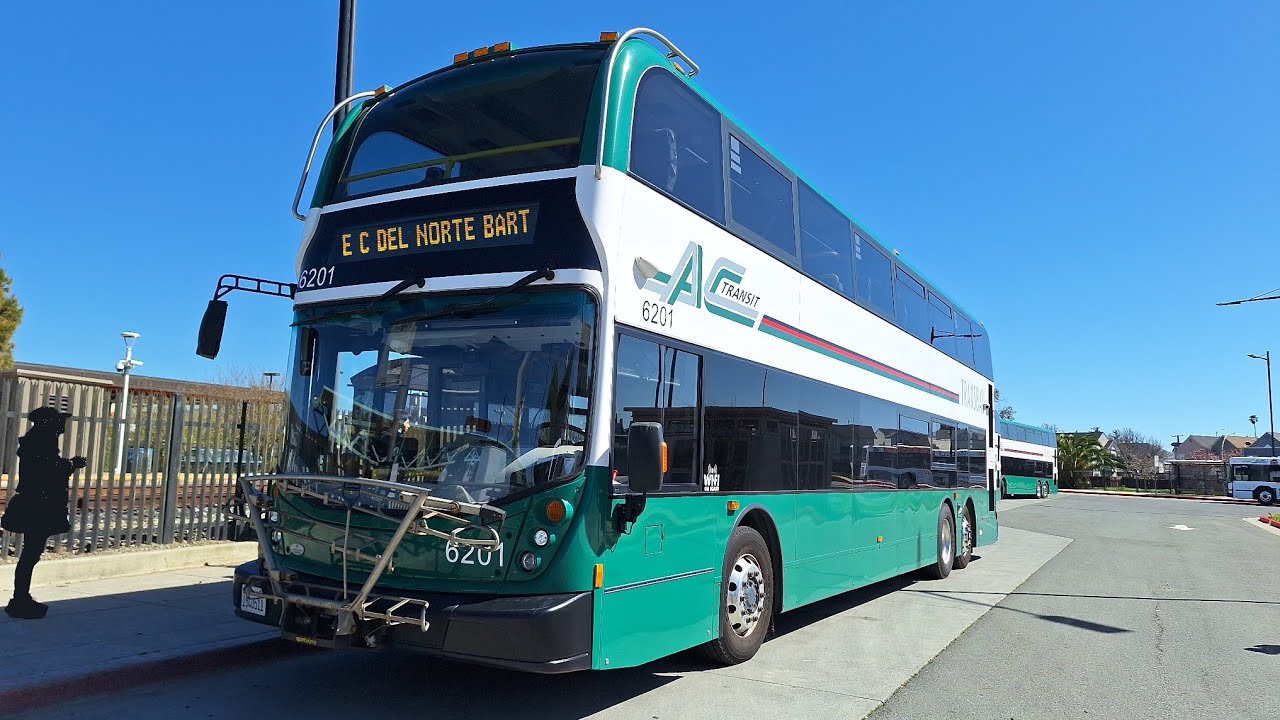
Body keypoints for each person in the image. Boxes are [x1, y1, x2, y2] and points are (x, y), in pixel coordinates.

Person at [2, 406, 85, 619]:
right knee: (31, 553)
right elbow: (48, 470)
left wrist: (66, 465)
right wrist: (71, 464)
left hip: (35, 503)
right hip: (38, 506)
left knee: (31, 553)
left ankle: (21, 597)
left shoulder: (37, 441)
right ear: (49, 423)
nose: (62, 425)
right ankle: (20, 599)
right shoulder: (42, 442)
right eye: (59, 421)